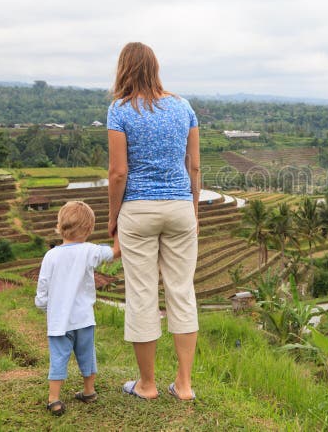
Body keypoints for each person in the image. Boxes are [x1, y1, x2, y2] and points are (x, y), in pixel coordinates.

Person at [107, 42, 200, 402]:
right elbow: (194, 166)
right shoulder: (183, 107)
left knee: (143, 294)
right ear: (155, 67)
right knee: (182, 291)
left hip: (139, 209)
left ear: (124, 69)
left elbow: (118, 173)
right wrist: (193, 210)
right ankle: (185, 385)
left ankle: (146, 385)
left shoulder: (120, 110)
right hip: (179, 206)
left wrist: (113, 218)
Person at [35, 200, 121, 416]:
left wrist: (43, 306)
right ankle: (89, 391)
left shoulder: (50, 255)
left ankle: (54, 399)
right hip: (83, 318)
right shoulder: (90, 251)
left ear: (59, 225)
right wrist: (117, 227)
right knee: (86, 355)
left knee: (58, 357)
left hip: (58, 322)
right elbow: (116, 252)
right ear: (89, 228)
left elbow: (43, 286)